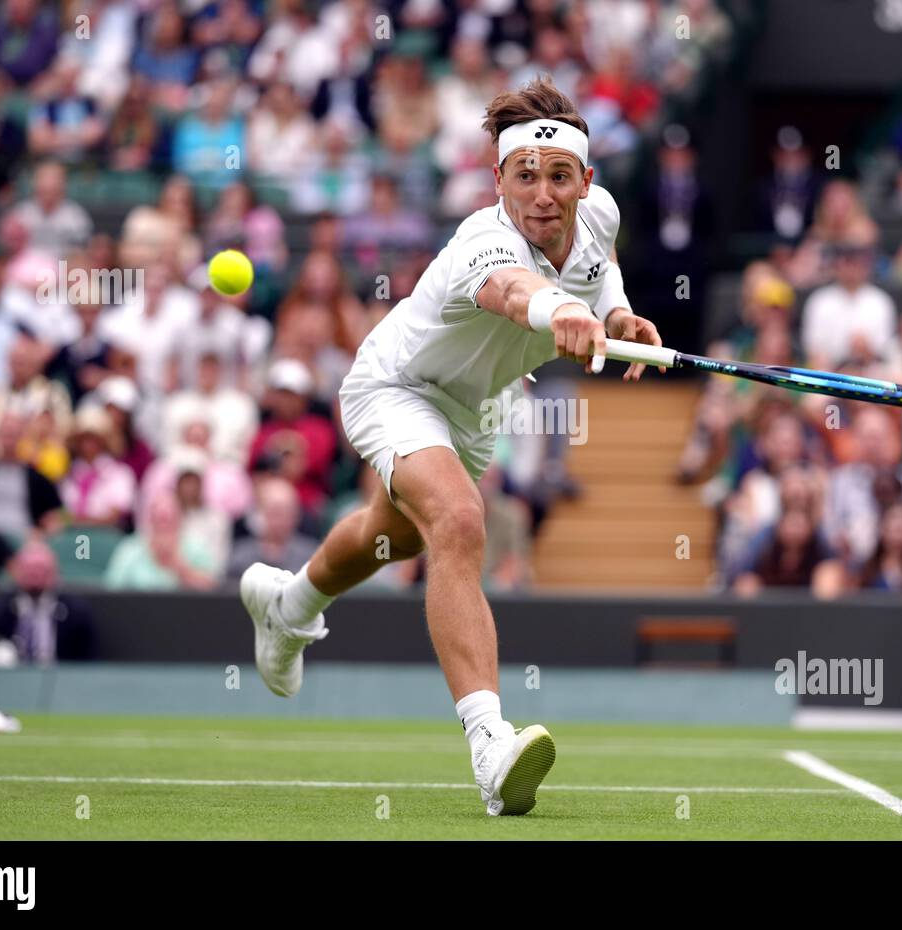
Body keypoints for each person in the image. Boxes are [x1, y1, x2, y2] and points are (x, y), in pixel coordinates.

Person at [238, 78, 663, 817]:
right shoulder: (484, 239)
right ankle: (490, 745)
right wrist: (560, 310)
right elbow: (510, 290)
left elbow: (600, 266)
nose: (542, 194)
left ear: (585, 182)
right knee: (460, 523)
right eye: (523, 177)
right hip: (397, 386)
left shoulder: (601, 214)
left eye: (559, 177)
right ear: (497, 179)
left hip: (475, 409)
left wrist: (618, 314)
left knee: (388, 538)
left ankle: (289, 602)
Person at [0, 541, 96, 664]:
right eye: (30, 570)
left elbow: (88, 662)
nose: (36, 575)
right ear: (16, 572)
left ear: (55, 573)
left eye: (42, 569)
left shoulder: (76, 613)